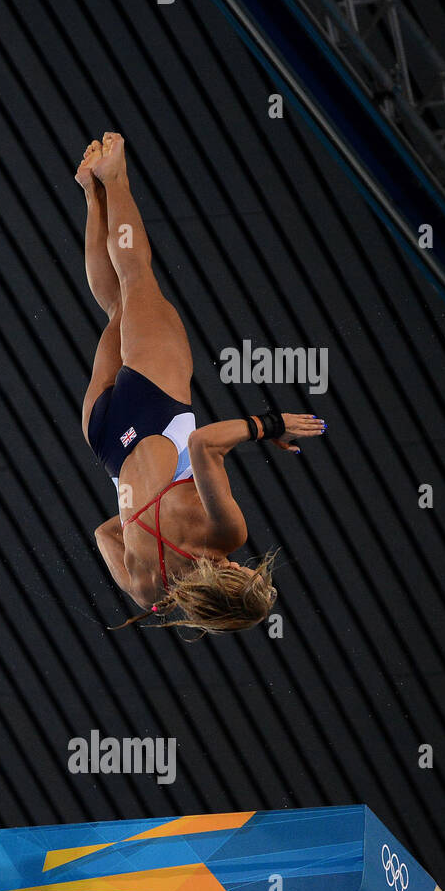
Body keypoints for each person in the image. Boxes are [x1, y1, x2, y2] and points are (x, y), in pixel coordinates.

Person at [76, 133, 324, 635]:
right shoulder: (148, 592)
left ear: (236, 574)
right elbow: (105, 535)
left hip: (155, 409)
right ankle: (90, 192)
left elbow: (202, 443)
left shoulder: (226, 534)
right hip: (104, 437)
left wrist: (266, 425)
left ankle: (112, 177)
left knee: (138, 278)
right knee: (117, 307)